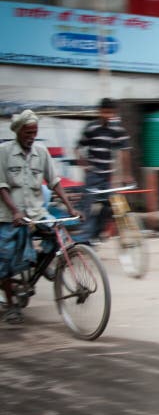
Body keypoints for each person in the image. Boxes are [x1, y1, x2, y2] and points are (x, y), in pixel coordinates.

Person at [0, 110, 81, 324]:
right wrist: (15, 211)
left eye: (34, 132)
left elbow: (54, 181)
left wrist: (70, 207)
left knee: (57, 236)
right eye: (28, 132)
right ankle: (10, 305)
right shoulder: (4, 152)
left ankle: (40, 265)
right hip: (9, 215)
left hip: (37, 213)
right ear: (18, 131)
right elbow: (2, 186)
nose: (31, 136)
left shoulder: (41, 151)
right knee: (4, 261)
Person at [74, 98, 133, 242]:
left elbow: (125, 151)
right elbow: (77, 148)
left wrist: (127, 174)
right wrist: (85, 166)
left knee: (112, 204)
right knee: (87, 206)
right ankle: (84, 239)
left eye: (111, 113)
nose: (108, 116)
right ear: (100, 112)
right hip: (93, 175)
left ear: (114, 113)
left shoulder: (117, 130)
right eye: (105, 112)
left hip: (107, 176)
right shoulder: (91, 128)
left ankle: (96, 232)